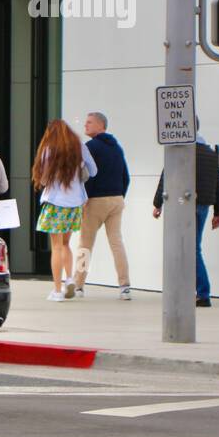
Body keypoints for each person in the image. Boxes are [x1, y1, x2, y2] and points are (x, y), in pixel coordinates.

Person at [153, 122, 219, 307]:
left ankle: (199, 293)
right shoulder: (210, 153)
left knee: (184, 248)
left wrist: (157, 203)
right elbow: (218, 184)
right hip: (203, 206)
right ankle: (197, 292)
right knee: (193, 248)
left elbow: (166, 177)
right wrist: (218, 212)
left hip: (182, 203)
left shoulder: (180, 151)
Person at [32, 118, 97, 302]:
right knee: (67, 244)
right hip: (75, 203)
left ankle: (57, 290)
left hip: (55, 202)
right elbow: (93, 171)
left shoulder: (48, 150)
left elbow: (44, 179)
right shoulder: (80, 147)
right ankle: (69, 279)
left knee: (56, 246)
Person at [74, 111, 132, 300]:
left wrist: (84, 199)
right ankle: (125, 286)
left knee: (85, 244)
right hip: (116, 199)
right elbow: (126, 176)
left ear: (100, 125)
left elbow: (87, 176)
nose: (85, 126)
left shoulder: (90, 147)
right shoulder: (117, 148)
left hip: (95, 201)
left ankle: (78, 285)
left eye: (89, 122)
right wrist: (120, 194)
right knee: (117, 243)